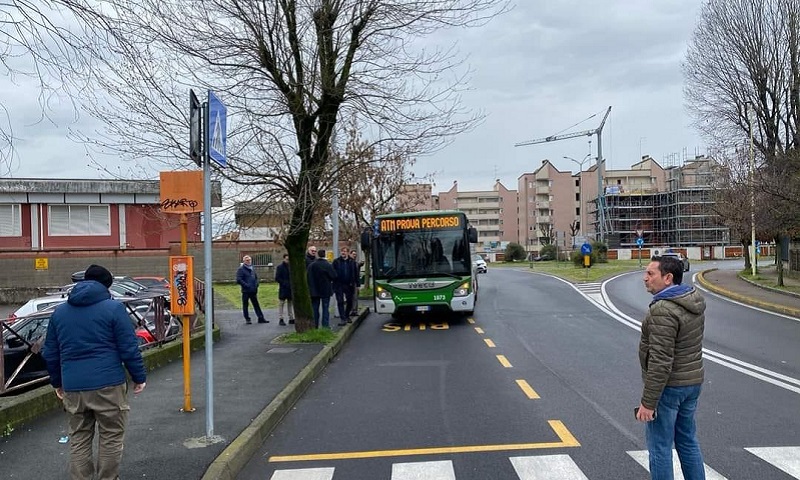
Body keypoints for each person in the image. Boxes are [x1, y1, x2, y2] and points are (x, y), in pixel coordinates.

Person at [43, 264, 147, 480]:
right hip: (108, 383)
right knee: (111, 436)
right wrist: (139, 377)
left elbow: (50, 352)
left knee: (79, 438)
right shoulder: (113, 309)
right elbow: (128, 347)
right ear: (107, 286)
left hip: (73, 385)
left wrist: (57, 383)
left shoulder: (60, 312)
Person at [636, 255, 706, 480]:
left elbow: (660, 360)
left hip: (669, 387)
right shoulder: (692, 299)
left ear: (668, 278)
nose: (645, 278)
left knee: (660, 447)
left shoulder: (663, 310)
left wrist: (648, 402)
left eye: (650, 274)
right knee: (687, 441)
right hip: (692, 383)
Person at [307, 249, 337, 328]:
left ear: (318, 255)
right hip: (325, 289)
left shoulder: (312, 265)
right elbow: (334, 276)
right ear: (325, 255)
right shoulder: (327, 265)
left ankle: (315, 325)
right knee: (325, 308)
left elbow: (308, 277)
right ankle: (325, 325)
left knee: (315, 309)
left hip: (314, 290)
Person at [236, 255, 267, 324]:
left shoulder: (252, 268)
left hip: (253, 290)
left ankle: (261, 318)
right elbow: (239, 279)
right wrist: (246, 285)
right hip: (246, 291)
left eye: (249, 260)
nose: (249, 261)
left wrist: (256, 284)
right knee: (245, 305)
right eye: (247, 260)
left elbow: (256, 278)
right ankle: (247, 319)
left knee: (256, 304)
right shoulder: (241, 269)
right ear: (244, 261)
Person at [332, 247, 357, 326]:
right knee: (340, 301)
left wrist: (357, 284)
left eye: (345, 251)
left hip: (349, 284)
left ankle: (347, 315)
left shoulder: (351, 261)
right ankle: (343, 318)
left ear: (347, 253)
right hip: (339, 284)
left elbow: (355, 273)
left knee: (349, 301)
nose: (343, 253)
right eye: (342, 251)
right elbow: (332, 271)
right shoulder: (336, 261)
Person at [275, 253, 294, 326]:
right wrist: (284, 283)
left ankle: (291, 318)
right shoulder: (280, 267)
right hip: (283, 288)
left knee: (290, 303)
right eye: (287, 259)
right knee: (281, 303)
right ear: (284, 259)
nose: (288, 261)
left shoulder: (291, 267)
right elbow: (277, 278)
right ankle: (281, 318)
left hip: (290, 288)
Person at [349, 249, 363, 317]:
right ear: (350, 254)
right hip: (350, 282)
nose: (354, 256)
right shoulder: (349, 262)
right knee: (351, 297)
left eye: (355, 255)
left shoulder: (355, 263)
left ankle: (354, 310)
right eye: (353, 254)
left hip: (354, 282)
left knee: (355, 297)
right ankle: (352, 310)